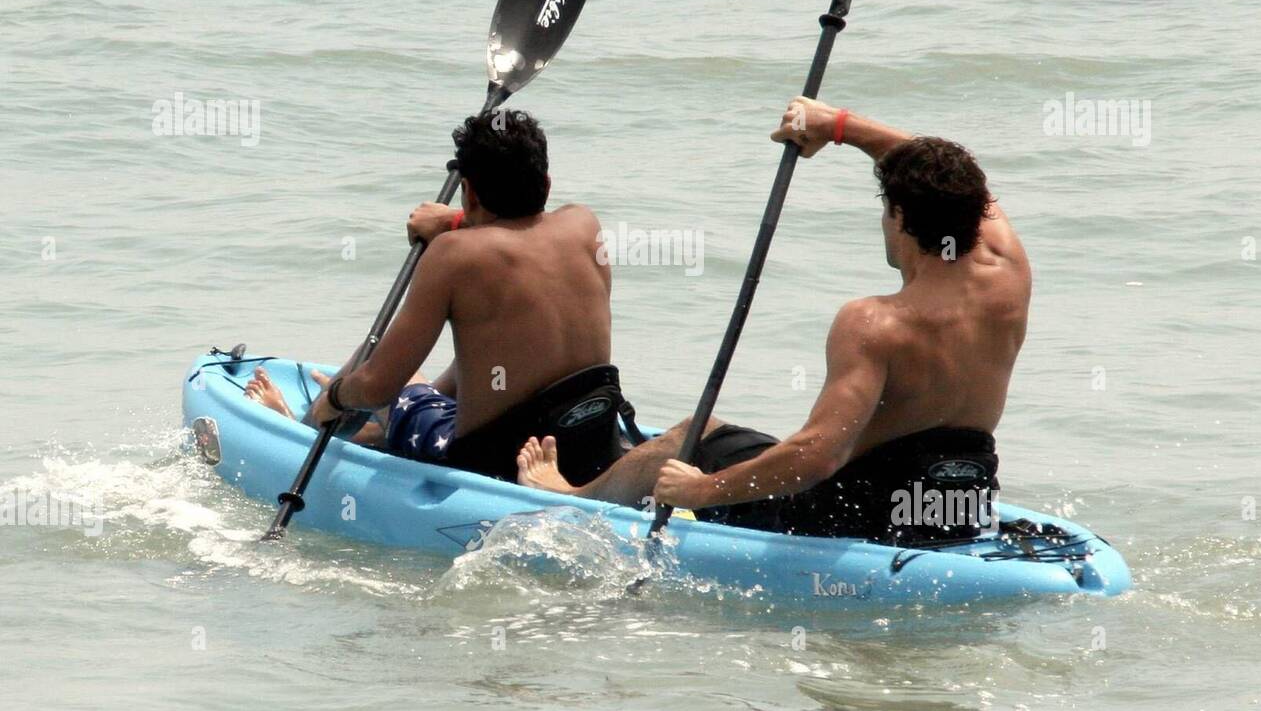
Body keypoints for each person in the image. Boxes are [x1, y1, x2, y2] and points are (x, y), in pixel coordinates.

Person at [516, 97, 1031, 543]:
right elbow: (957, 183)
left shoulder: (875, 324)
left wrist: (701, 488)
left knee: (693, 435)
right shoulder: (1008, 274)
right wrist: (839, 126)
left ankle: (573, 495)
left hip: (859, 514)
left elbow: (816, 458)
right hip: (960, 505)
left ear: (898, 216)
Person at [244, 109, 635, 485]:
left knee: (373, 362)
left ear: (467, 193)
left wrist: (336, 395)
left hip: (494, 460)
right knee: (456, 380)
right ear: (546, 183)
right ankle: (374, 433)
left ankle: (302, 432)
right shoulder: (585, 224)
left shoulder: (451, 254)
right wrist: (457, 219)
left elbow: (380, 386)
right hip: (590, 445)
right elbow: (522, 231)